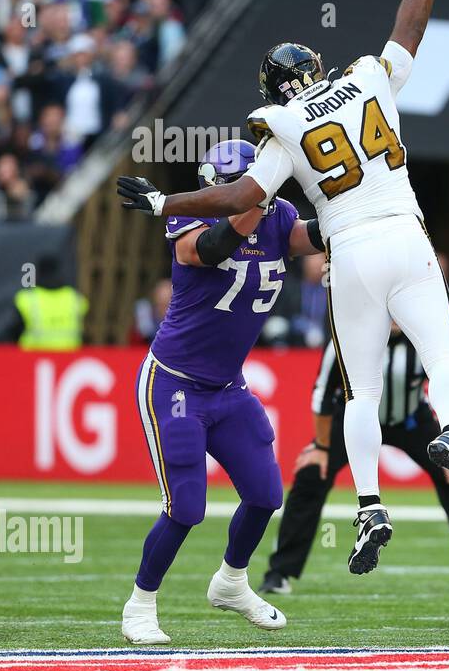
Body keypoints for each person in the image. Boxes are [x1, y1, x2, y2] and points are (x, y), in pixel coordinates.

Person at [117, 0, 449, 582]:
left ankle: (370, 506)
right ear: (319, 66)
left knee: (359, 394)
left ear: (269, 92)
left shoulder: (281, 124)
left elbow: (242, 199)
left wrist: (163, 202)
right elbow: (409, 30)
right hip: (406, 235)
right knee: (444, 357)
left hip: (347, 250)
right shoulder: (367, 77)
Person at [121, 140, 321, 645]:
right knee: (186, 507)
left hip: (228, 387)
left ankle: (231, 582)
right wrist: (245, 205)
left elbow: (310, 238)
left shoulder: (279, 216)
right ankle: (141, 603)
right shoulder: (194, 222)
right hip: (174, 381)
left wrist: (362, 217)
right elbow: (205, 251)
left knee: (265, 494)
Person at [260, 324, 449, 595]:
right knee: (312, 474)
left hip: (410, 420)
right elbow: (323, 391)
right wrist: (322, 447)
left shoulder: (424, 336)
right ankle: (279, 572)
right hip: (353, 420)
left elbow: (448, 386)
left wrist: (448, 434)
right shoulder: (349, 333)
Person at [11, 255, 88, 350]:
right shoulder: (76, 299)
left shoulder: (25, 299)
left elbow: (14, 332)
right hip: (69, 358)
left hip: (33, 358)